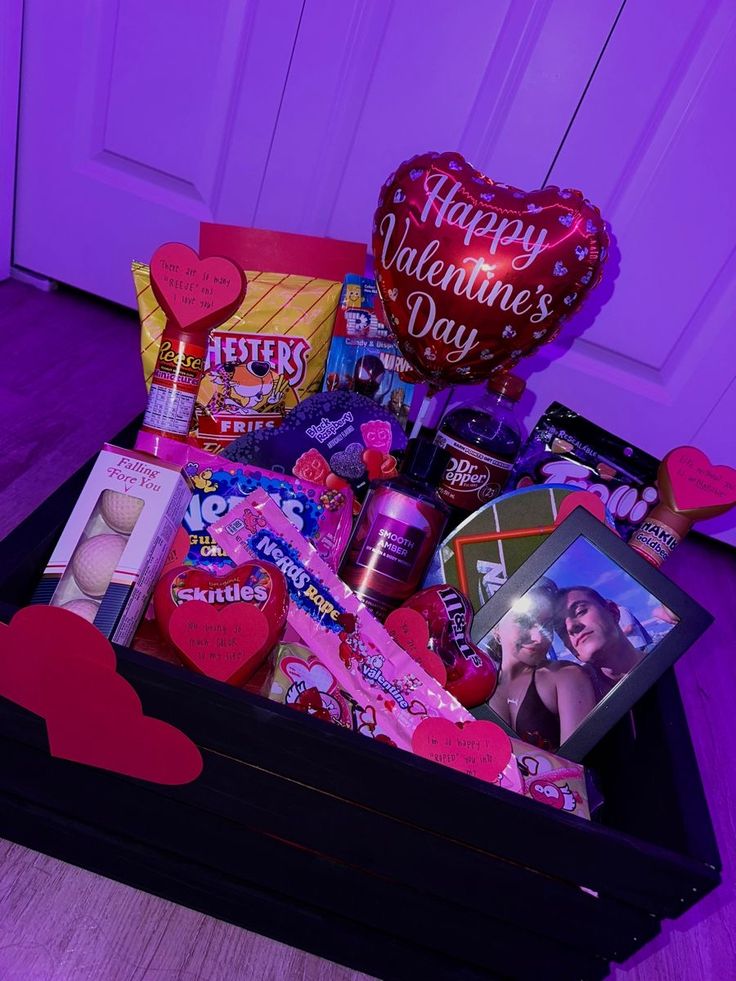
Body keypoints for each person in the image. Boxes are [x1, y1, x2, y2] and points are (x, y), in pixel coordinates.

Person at [487, 579, 597, 751]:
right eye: (524, 621)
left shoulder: (566, 676)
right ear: (495, 627)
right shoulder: (478, 684)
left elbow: (574, 769)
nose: (539, 638)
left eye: (547, 624)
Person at [555, 586, 650, 701]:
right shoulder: (577, 701)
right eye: (562, 629)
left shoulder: (668, 656)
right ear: (570, 648)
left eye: (580, 611)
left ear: (613, 611)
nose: (570, 627)